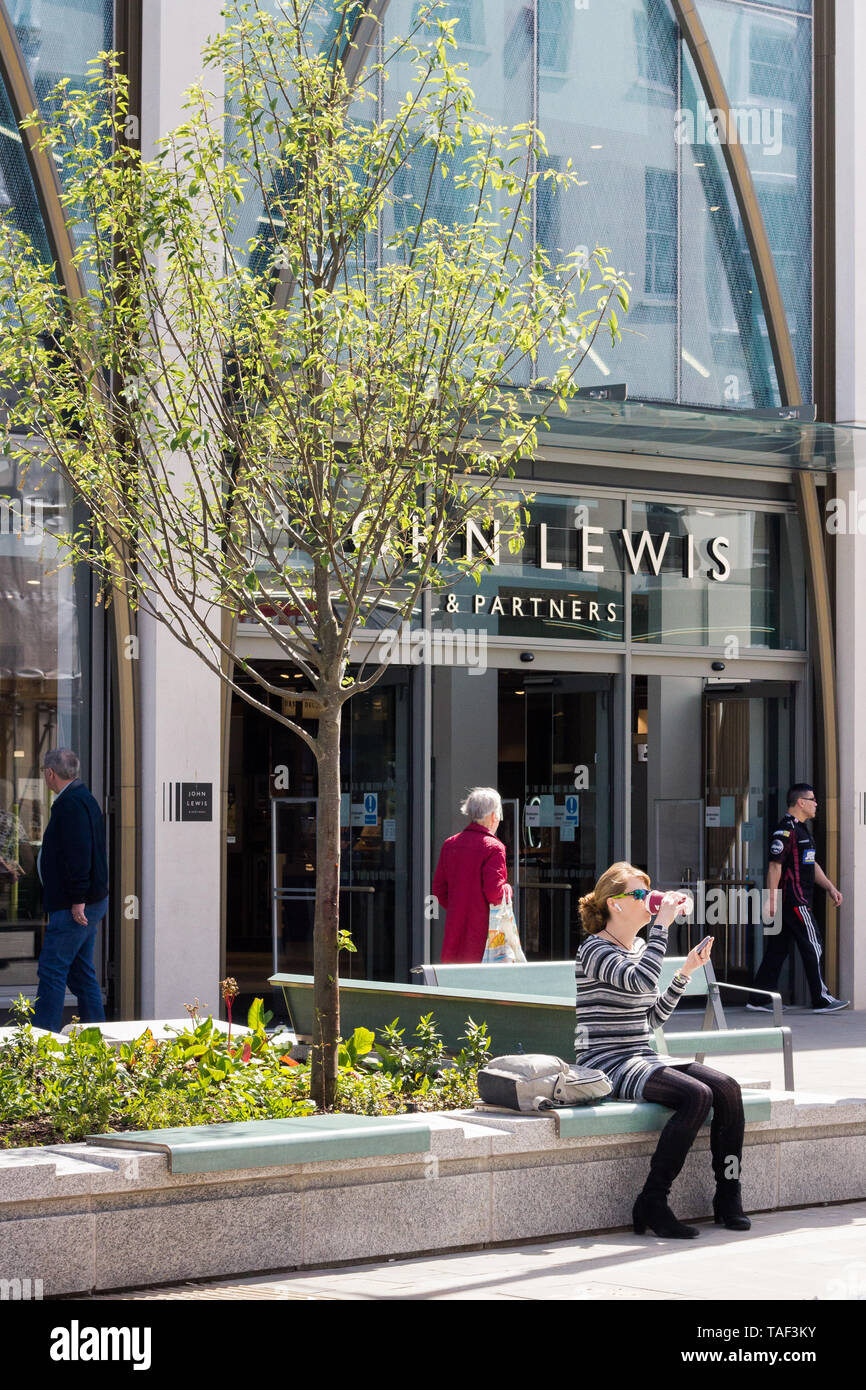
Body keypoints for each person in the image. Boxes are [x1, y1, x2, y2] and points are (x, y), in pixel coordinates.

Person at [576, 862, 749, 1239]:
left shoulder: (639, 947)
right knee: (696, 1095)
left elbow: (651, 1018)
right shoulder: (594, 949)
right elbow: (640, 980)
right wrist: (662, 926)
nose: (648, 900)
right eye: (639, 894)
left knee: (728, 1088)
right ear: (615, 904)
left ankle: (728, 1192)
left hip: (641, 1055)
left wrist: (685, 971)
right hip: (607, 1062)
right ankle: (653, 1200)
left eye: (648, 892)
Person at [748, 783, 848, 1013]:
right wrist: (771, 899)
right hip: (794, 901)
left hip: (795, 901)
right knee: (813, 944)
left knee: (777, 949)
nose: (816, 804)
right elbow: (774, 866)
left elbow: (811, 864)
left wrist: (830, 887)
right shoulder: (785, 830)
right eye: (812, 799)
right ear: (801, 803)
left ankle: (758, 998)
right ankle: (821, 999)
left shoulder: (802, 830)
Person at [32, 749, 108, 1032]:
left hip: (73, 906)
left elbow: (80, 855)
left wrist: (77, 899)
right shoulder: (83, 797)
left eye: (44, 772)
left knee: (52, 970)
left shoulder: (71, 804)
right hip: (85, 902)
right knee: (81, 973)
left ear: (50, 773)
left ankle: (43, 1038)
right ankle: (96, 1035)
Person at [432, 787, 511, 963]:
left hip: (455, 931)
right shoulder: (494, 848)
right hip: (483, 937)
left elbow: (438, 890)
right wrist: (507, 889)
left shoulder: (450, 844)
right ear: (493, 816)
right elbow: (495, 893)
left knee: (454, 978)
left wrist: (459, 907)